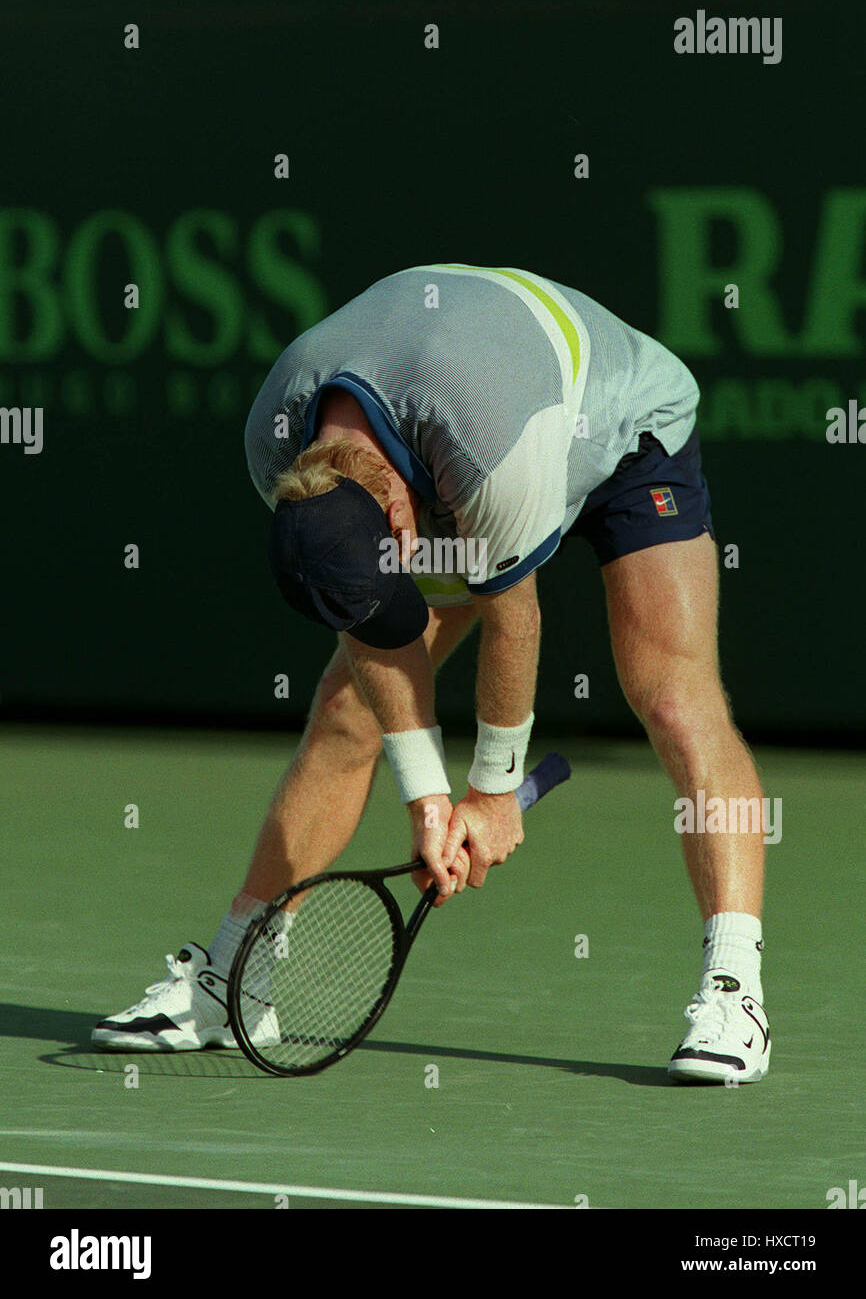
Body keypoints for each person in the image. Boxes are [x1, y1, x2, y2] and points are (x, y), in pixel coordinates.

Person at [92, 262, 770, 1083]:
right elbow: (370, 632)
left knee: (672, 698)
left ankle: (736, 992)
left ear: (403, 516)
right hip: (454, 441)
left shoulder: (487, 449)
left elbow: (513, 618)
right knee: (347, 709)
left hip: (618, 424)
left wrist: (490, 792)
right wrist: (426, 800)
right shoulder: (278, 446)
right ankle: (236, 978)